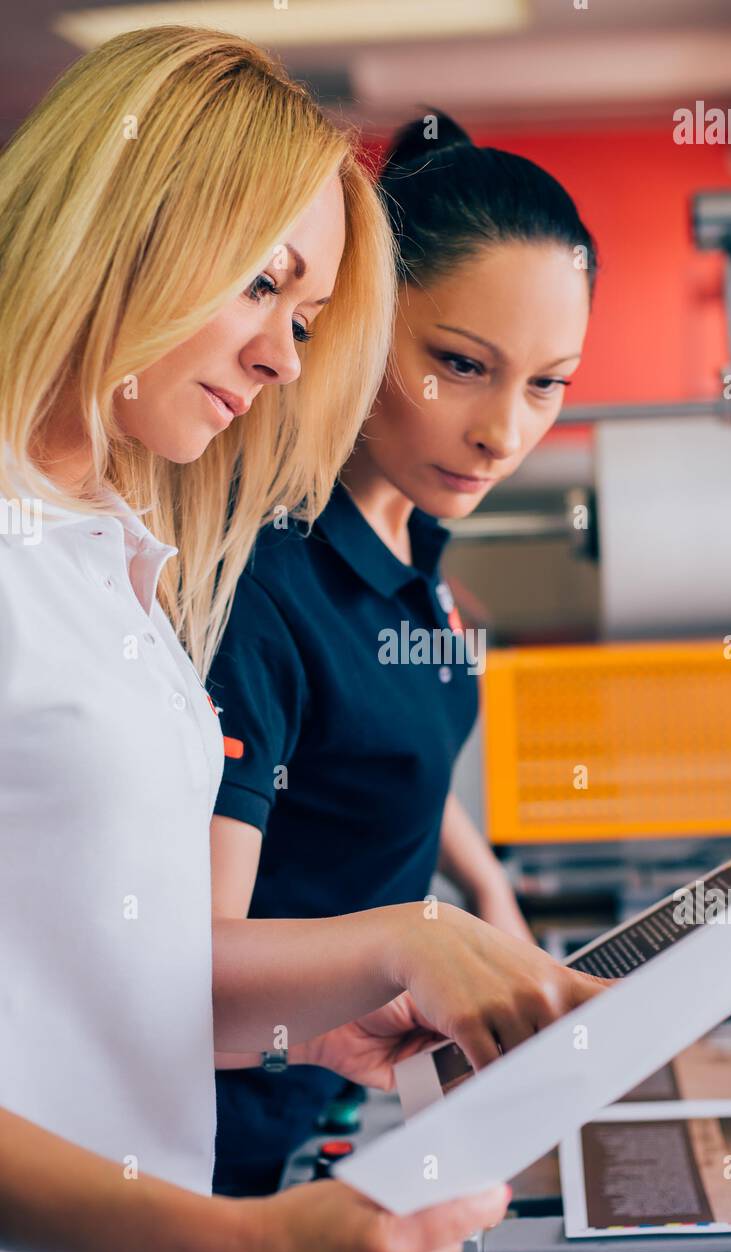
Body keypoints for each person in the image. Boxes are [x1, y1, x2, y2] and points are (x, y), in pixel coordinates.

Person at [0, 29, 603, 1252]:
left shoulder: (113, 547)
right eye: (263, 288)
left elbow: (107, 971)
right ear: (132, 229)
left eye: (312, 315)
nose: (286, 358)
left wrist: (327, 1013)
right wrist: (243, 1248)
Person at [208, 112, 598, 1197]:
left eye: (546, 383)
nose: (502, 433)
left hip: (344, 1076)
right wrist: (422, 937)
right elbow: (188, 963)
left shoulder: (414, 530)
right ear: (359, 322)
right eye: (462, 365)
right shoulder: (265, 591)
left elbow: (381, 749)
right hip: (227, 1144)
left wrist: (483, 888)